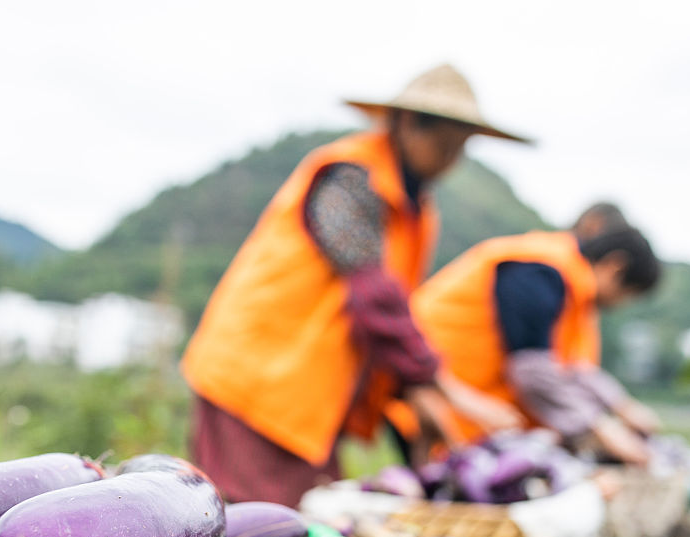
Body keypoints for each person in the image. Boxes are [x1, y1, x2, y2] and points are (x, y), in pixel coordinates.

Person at [180, 64, 531, 506]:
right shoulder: (349, 179)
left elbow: (391, 313)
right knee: (255, 523)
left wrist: (413, 391)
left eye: (459, 147)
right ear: (406, 123)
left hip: (308, 396)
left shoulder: (416, 210)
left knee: (309, 520)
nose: (449, 159)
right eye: (443, 143)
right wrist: (447, 389)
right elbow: (375, 297)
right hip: (261, 377)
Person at [410, 203, 663, 465]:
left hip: (461, 405)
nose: (620, 304)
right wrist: (600, 428)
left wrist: (620, 406)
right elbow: (532, 370)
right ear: (615, 267)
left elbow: (571, 368)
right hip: (430, 395)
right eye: (628, 295)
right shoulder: (540, 272)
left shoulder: (571, 288)